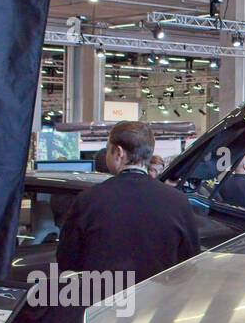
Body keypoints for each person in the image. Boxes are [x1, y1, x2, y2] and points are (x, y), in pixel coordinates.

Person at [56, 120, 200, 283]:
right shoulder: (178, 201)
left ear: (119, 153)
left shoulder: (88, 199)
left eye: (108, 150)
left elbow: (67, 259)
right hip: (159, 296)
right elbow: (190, 262)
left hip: (104, 297)